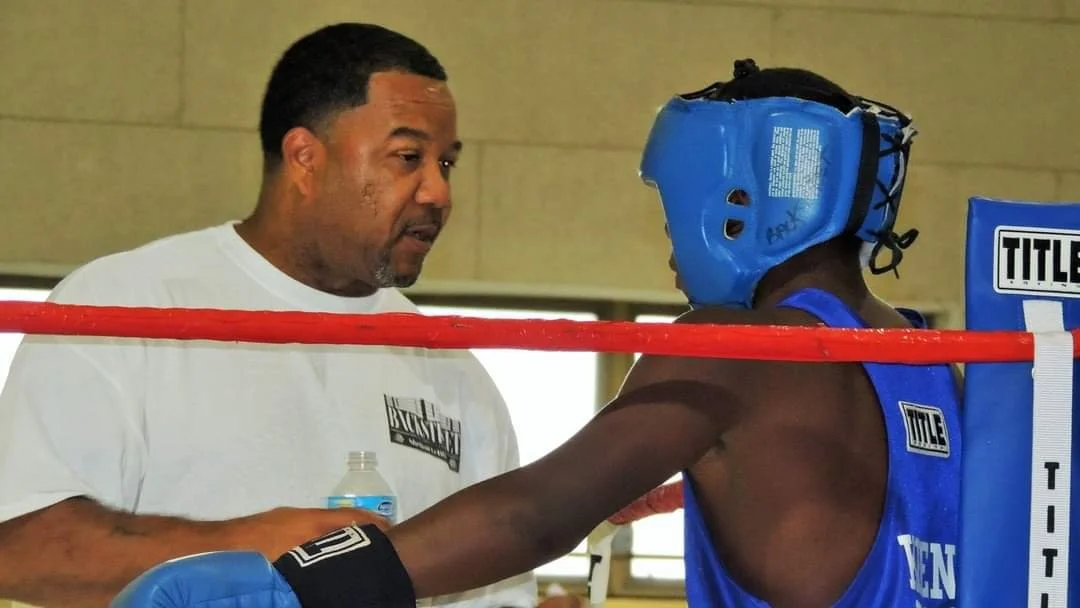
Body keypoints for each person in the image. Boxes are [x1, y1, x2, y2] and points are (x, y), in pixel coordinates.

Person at [110, 60, 962, 608]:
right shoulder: (934, 360)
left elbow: (535, 514)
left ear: (739, 203)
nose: (667, 241)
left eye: (670, 210)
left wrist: (293, 587)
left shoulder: (732, 346)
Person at [0, 22, 567, 608]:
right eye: (408, 157)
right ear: (304, 157)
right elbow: (21, 552)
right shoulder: (125, 305)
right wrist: (256, 551)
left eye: (445, 164)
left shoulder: (454, 373)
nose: (438, 193)